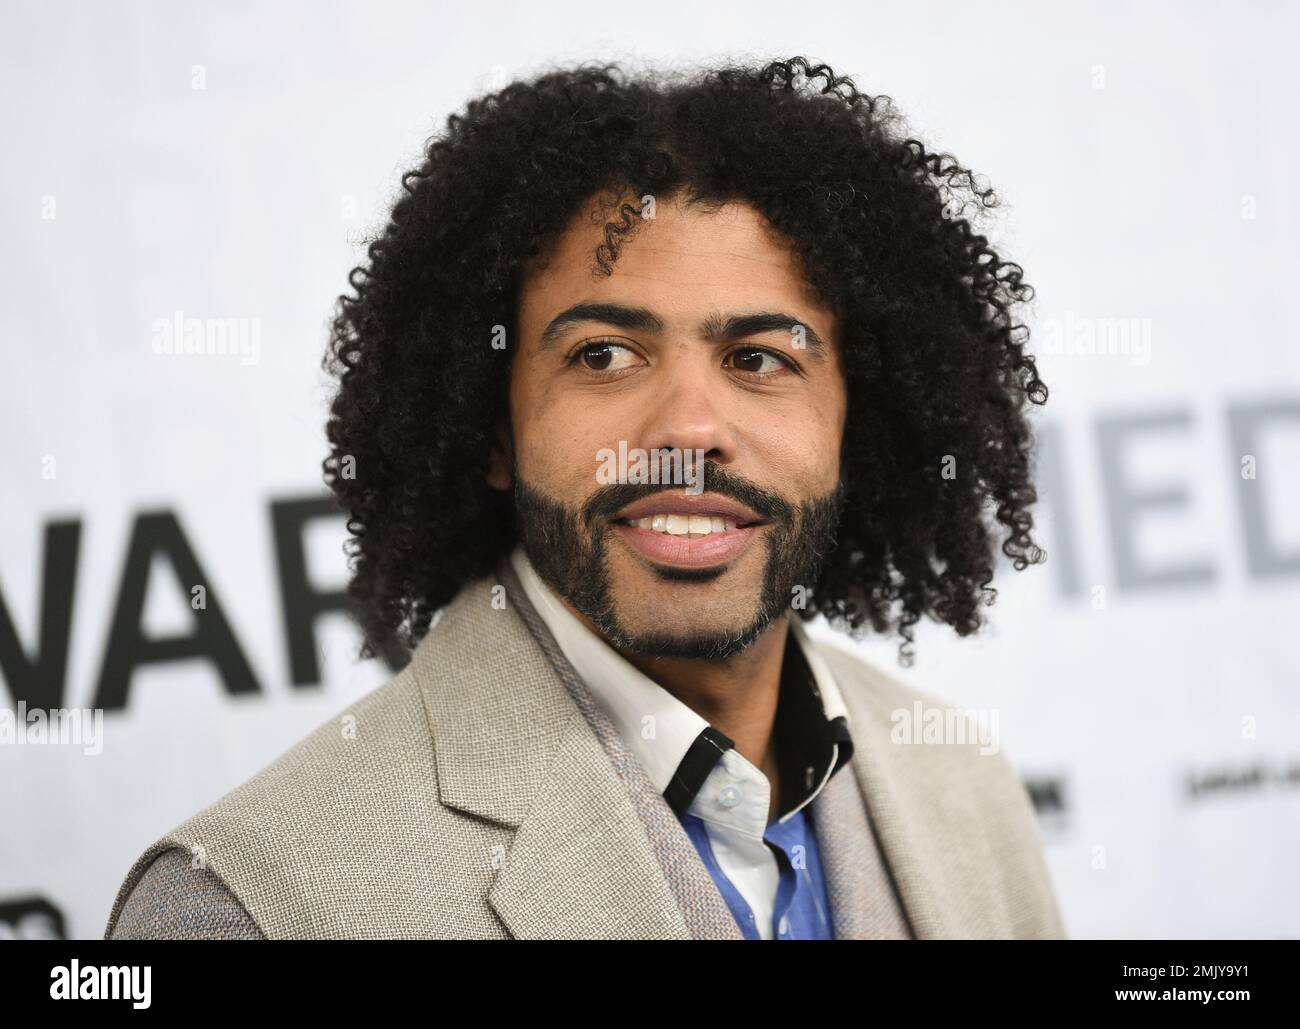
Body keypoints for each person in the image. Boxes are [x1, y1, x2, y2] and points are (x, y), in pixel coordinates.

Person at [105, 55, 1065, 940]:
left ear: (859, 421)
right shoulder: (241, 908)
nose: (690, 428)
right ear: (492, 427)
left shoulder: (965, 786)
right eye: (603, 354)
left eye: (760, 358)